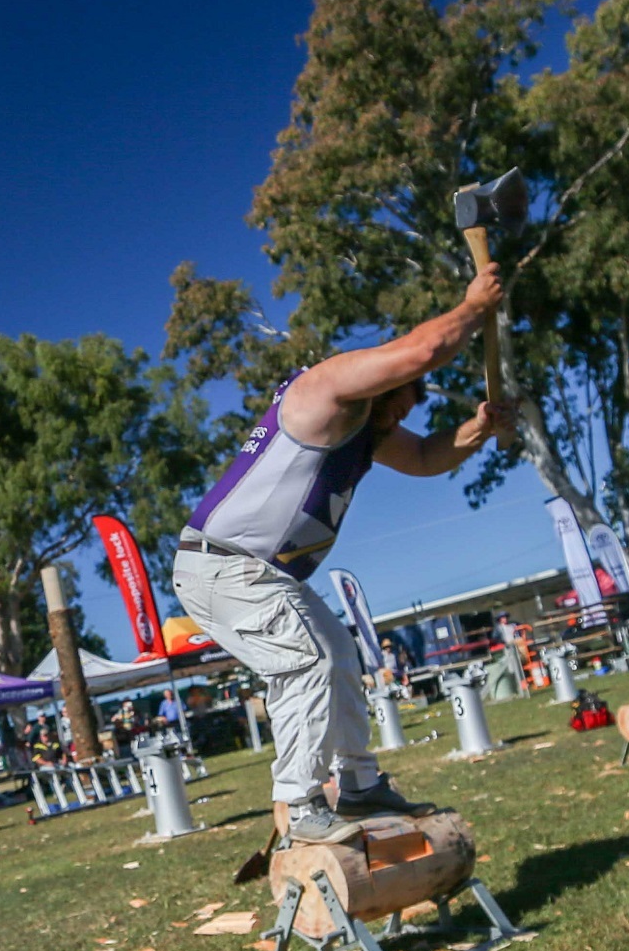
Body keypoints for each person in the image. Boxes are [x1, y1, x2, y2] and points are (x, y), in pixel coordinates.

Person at [172, 268, 512, 844]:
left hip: (259, 574)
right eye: (400, 404)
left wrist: (478, 429)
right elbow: (426, 348)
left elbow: (429, 457)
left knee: (339, 656)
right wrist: (475, 307)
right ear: (381, 386)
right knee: (306, 662)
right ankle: (301, 806)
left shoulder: (365, 431)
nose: (401, 419)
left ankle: (358, 783)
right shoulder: (324, 390)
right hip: (225, 564)